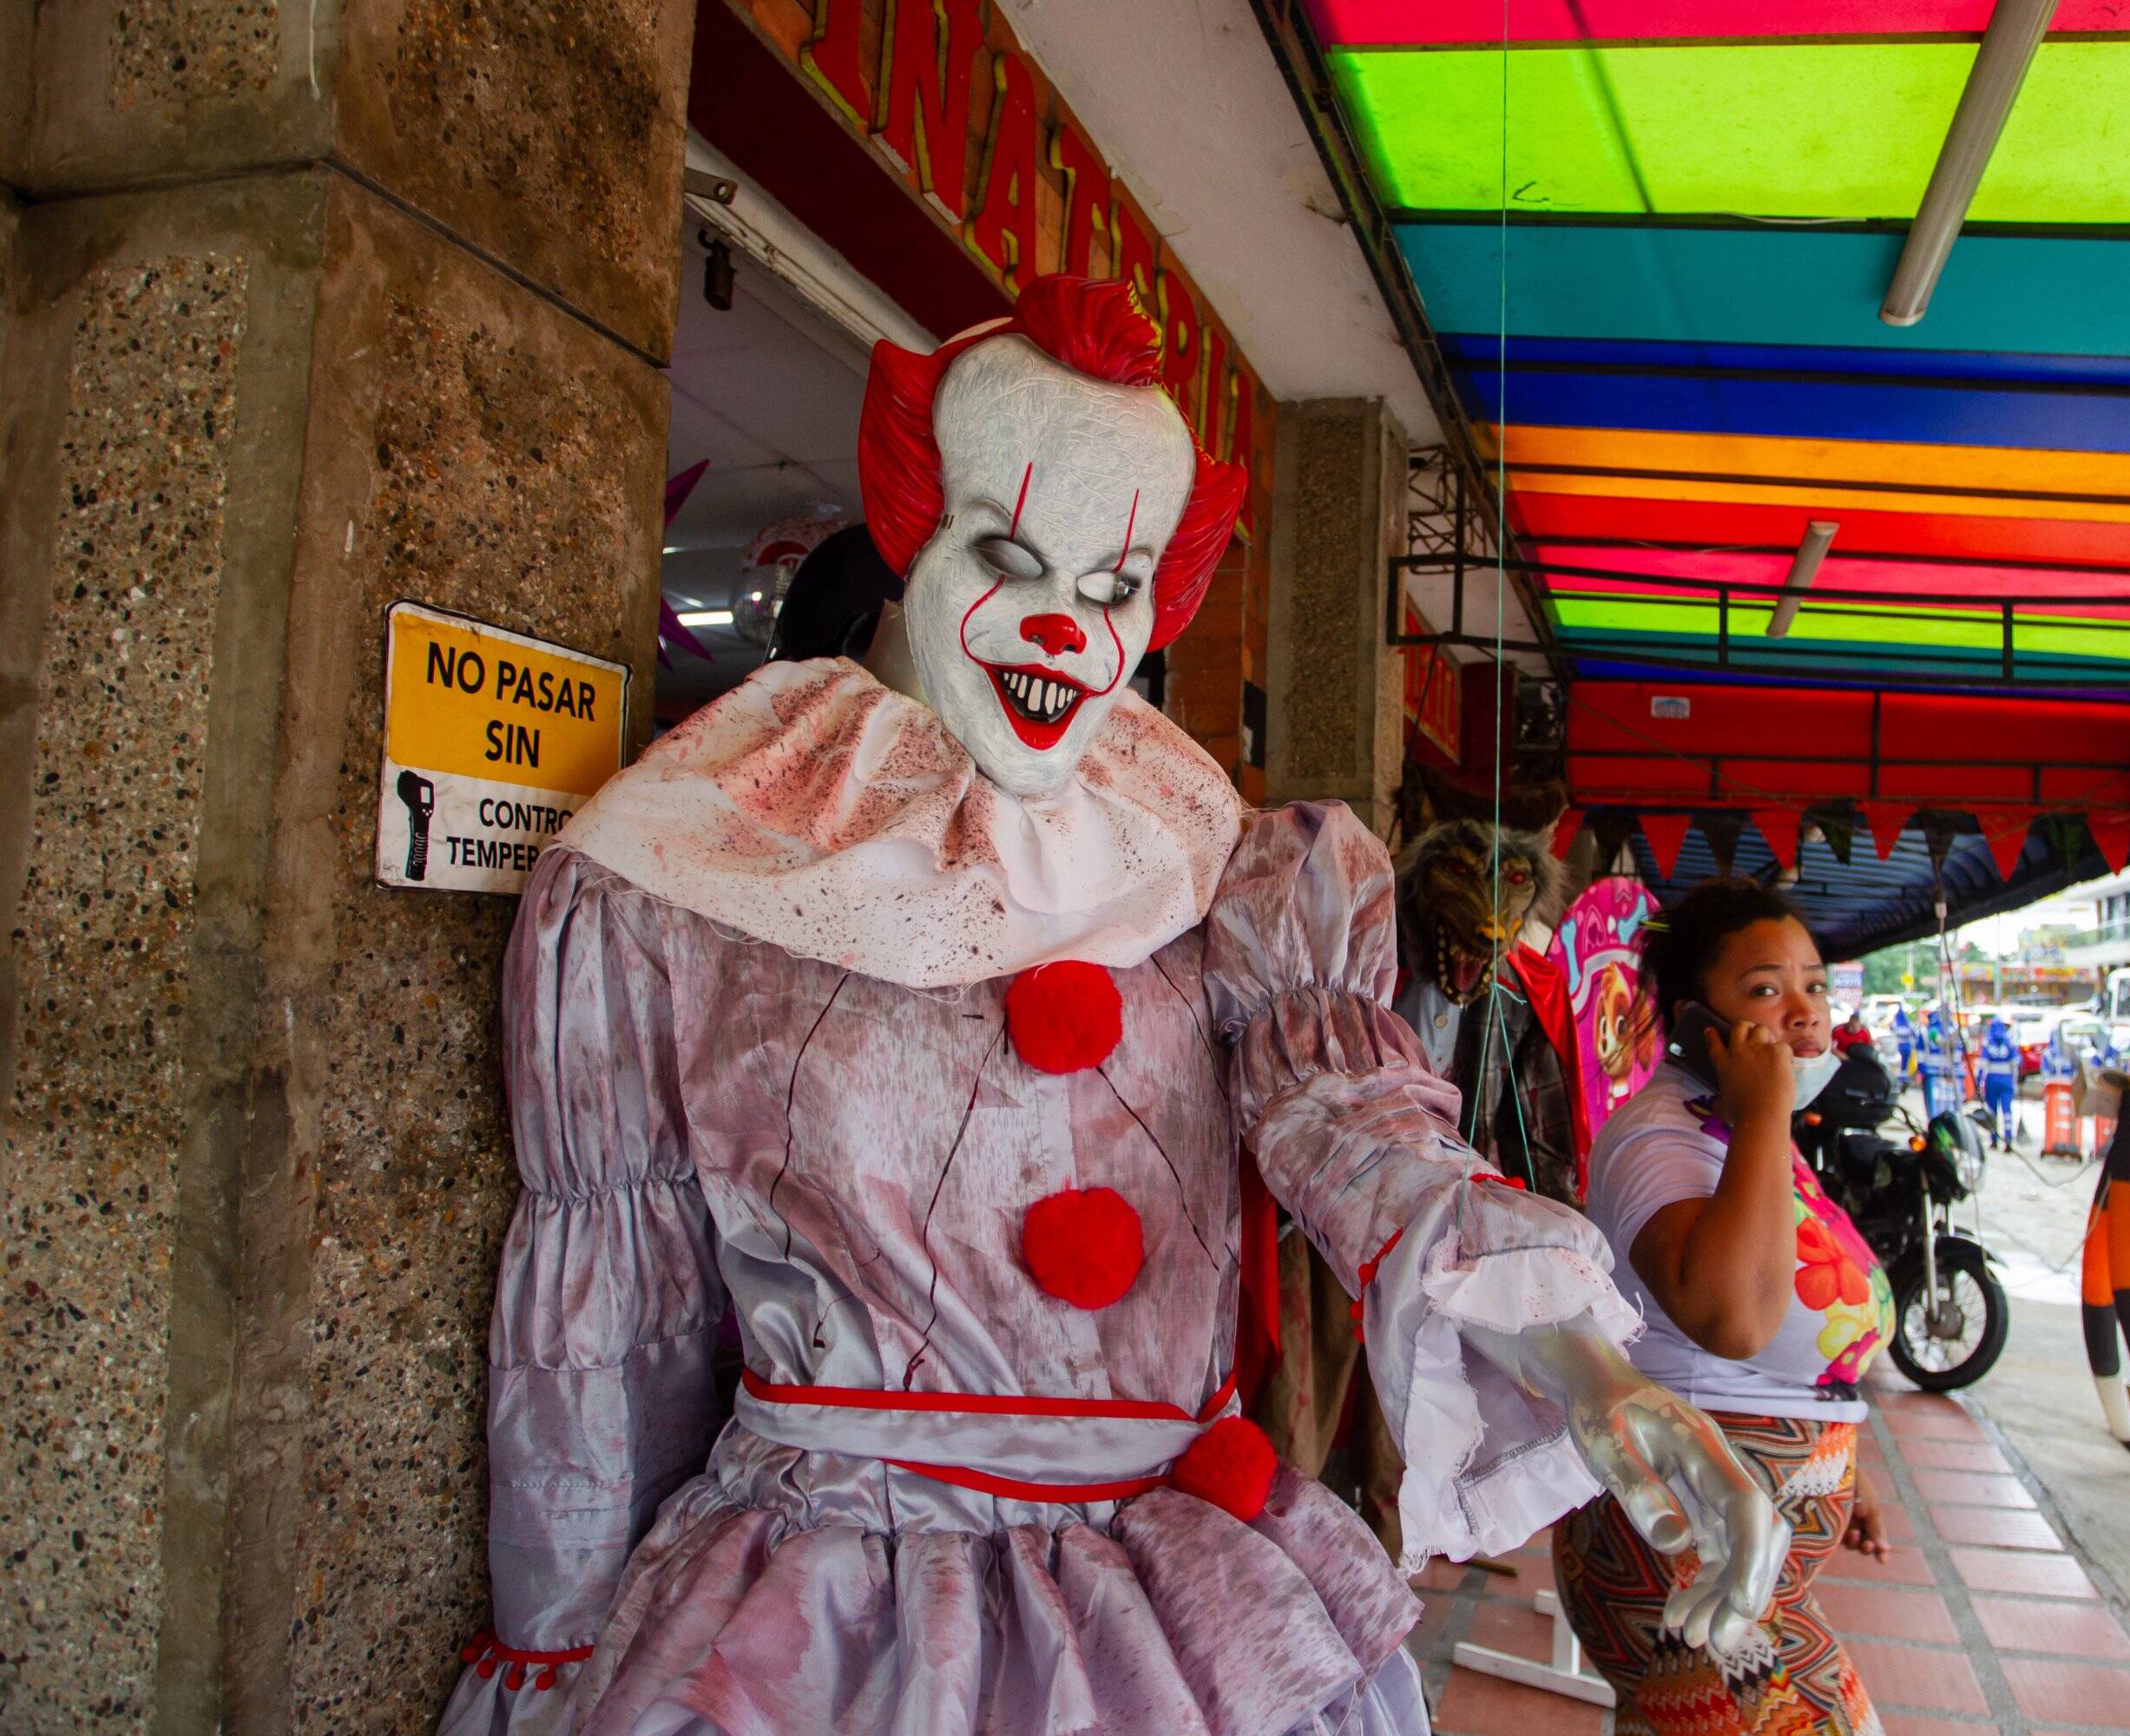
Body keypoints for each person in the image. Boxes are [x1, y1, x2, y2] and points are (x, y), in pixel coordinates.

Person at [437, 276, 1786, 1736]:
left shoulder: (1215, 864)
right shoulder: (692, 862)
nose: (1065, 634)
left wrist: (1578, 1358)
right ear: (913, 523)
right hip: (834, 1623)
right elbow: (609, 1310)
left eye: (1111, 586)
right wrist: (551, 1655)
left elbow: (1358, 1128)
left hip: (1170, 1597)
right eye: (1007, 555)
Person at [1557, 878, 1895, 1736]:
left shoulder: (1740, 1126)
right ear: (1697, 1020)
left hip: (1743, 1555)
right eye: (1766, 989)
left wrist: (1837, 1454)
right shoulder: (1664, 1136)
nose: (1805, 1013)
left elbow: (1796, 1327)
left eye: (1814, 984)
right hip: (1689, 1556)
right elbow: (1732, 1320)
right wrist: (1769, 1107)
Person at [1978, 1014, 2021, 1150]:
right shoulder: (2010, 1041)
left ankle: (1994, 1139)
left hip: (1992, 1080)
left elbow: (1982, 1065)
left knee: (1992, 1111)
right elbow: (2016, 1063)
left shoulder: (1987, 1042)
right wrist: (2016, 1082)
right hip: (2006, 1079)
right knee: (2007, 1110)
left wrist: (1979, 1082)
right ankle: (2008, 1138)